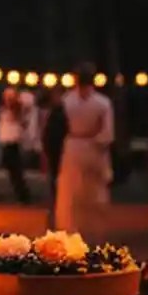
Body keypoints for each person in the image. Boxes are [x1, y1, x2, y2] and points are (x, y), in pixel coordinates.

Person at [54, 63, 115, 236]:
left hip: (73, 145)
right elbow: (108, 133)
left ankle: (69, 226)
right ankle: (94, 228)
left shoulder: (66, 100)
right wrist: (100, 142)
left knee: (71, 190)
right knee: (93, 190)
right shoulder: (103, 102)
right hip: (93, 146)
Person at [0, 88, 31, 204]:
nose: (6, 100)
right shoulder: (3, 110)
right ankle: (20, 193)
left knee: (15, 170)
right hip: (6, 141)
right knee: (12, 169)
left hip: (13, 142)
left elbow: (21, 120)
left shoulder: (17, 109)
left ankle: (23, 194)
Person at [41, 88, 68, 228]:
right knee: (55, 186)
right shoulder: (57, 113)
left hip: (63, 153)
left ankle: (57, 218)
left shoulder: (61, 114)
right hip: (56, 153)